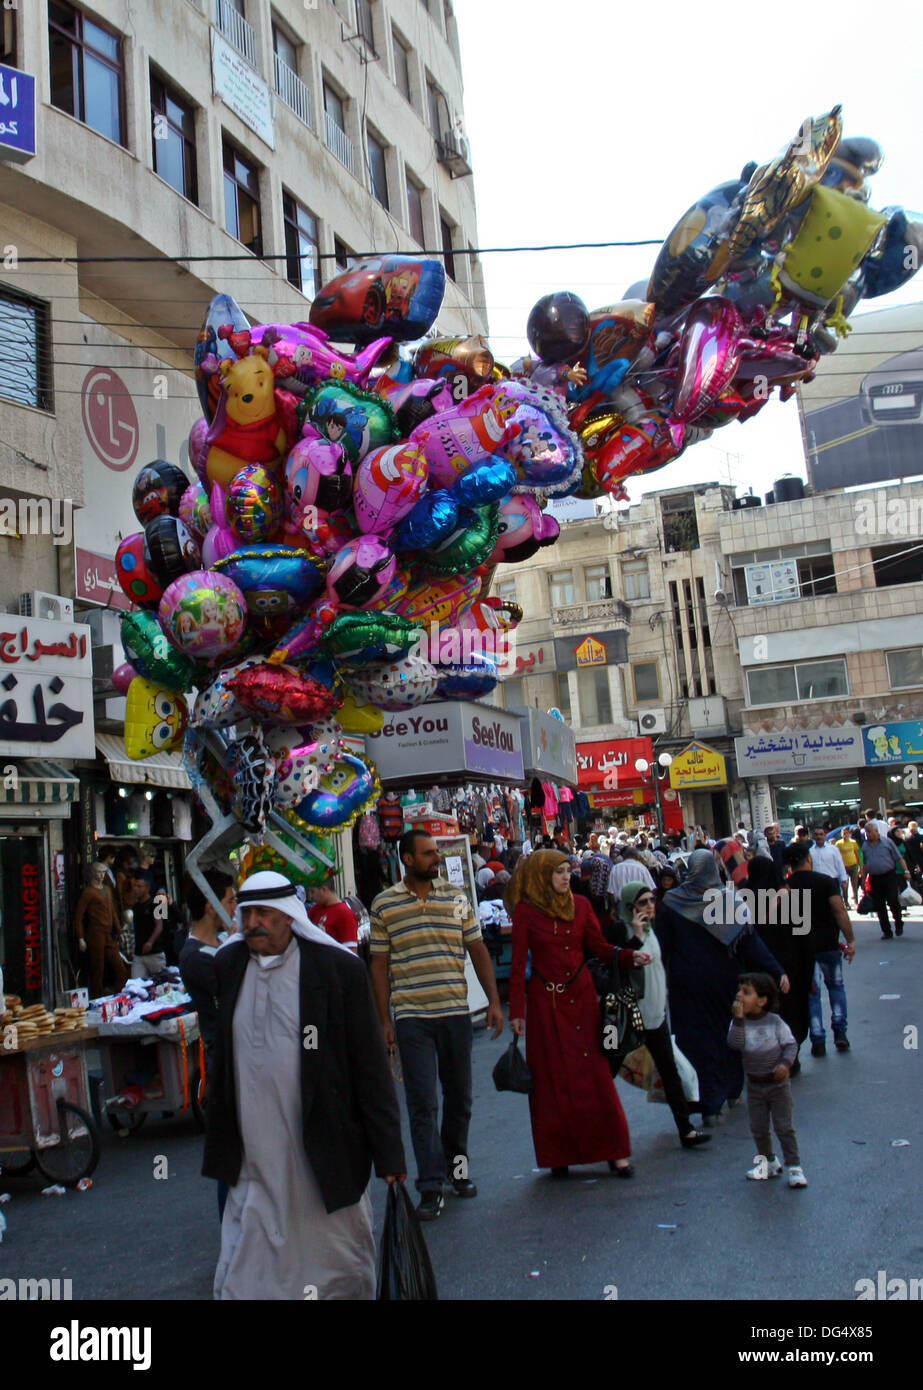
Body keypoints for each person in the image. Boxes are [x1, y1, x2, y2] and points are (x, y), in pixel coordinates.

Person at [203, 871, 406, 1300]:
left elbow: (369, 1067)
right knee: (249, 1266)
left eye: (264, 913)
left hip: (322, 1148)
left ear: (290, 917)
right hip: (253, 1154)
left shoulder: (337, 971)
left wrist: (389, 1154)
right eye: (247, 913)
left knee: (334, 1261)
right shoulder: (229, 965)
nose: (253, 922)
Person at [369, 830, 504, 1221]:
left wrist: (493, 1001)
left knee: (459, 1097)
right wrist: (385, 1022)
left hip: (455, 1012)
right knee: (423, 1102)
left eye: (436, 853)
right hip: (412, 1017)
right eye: (428, 853)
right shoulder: (384, 905)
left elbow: (477, 950)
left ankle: (456, 1170)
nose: (436, 859)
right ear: (407, 859)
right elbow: (378, 966)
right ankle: (430, 1185)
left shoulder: (456, 898)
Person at [507, 851, 650, 1178]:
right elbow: (517, 966)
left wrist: (629, 957)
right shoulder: (526, 914)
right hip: (546, 1004)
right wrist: (517, 1012)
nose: (564, 877)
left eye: (566, 871)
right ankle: (559, 1154)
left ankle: (616, 1152)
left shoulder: (582, 906)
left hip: (582, 999)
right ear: (542, 876)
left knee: (596, 1075)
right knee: (551, 1080)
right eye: (557, 873)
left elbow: (598, 948)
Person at [655, 849, 788, 1126]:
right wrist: (777, 971)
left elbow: (661, 948)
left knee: (698, 1042)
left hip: (686, 985)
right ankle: (730, 1090)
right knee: (728, 1035)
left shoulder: (672, 902)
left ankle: (708, 1101)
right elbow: (752, 944)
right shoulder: (729, 901)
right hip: (724, 983)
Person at [616, 884, 711, 1149]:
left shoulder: (652, 930)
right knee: (607, 1070)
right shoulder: (621, 931)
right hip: (631, 1016)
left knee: (669, 1070)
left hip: (656, 1014)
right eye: (643, 902)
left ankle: (686, 1131)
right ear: (630, 907)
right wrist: (634, 937)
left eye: (651, 900)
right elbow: (620, 963)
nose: (649, 906)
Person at [728, 974, 806, 1188]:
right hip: (754, 1085)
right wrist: (738, 1020)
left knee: (783, 1127)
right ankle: (768, 1162)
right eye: (739, 990)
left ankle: (794, 1166)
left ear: (762, 1000)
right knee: (759, 1127)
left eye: (746, 992)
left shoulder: (774, 1022)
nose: (739, 995)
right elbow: (735, 1044)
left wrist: (785, 1064)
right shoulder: (739, 1024)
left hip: (777, 1085)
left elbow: (791, 1044)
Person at [783, 841, 856, 1058]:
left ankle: (818, 1040)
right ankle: (840, 1033)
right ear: (808, 859)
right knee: (836, 987)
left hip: (803, 950)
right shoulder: (825, 882)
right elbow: (839, 911)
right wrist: (850, 940)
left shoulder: (786, 887)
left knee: (811, 994)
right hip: (829, 945)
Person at [178, 870, 237, 1062]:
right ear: (211, 908)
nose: (235, 908)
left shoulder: (221, 940)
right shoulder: (195, 957)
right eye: (230, 901)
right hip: (225, 1054)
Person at [75, 862, 129, 999]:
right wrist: (81, 937)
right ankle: (97, 998)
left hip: (108, 934)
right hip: (95, 934)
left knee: (120, 967)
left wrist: (119, 931)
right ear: (93, 873)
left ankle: (119, 994)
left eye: (104, 872)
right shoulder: (88, 892)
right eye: (99, 872)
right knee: (97, 969)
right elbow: (79, 916)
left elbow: (113, 912)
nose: (101, 875)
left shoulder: (107, 889)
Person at [861, 822, 906, 940]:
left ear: (876, 831)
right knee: (879, 905)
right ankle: (886, 931)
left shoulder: (887, 842)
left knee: (892, 900)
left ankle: (898, 923)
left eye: (870, 832)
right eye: (866, 832)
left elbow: (899, 857)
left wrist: (906, 871)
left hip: (889, 876)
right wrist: (863, 880)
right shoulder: (865, 846)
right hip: (874, 878)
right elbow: (865, 864)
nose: (868, 835)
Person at [126, 871, 166, 978]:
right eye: (134, 886)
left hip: (154, 953)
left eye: (139, 886)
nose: (136, 889)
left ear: (147, 888)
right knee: (136, 985)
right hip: (139, 954)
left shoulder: (155, 904)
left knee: (160, 984)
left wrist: (150, 942)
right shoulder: (135, 906)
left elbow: (159, 926)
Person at [307, 881, 359, 950]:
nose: (311, 896)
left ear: (324, 889)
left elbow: (351, 951)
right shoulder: (314, 910)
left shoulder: (345, 914)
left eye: (312, 892)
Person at [809, 827, 848, 899]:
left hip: (832, 882)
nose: (819, 836)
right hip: (817, 883)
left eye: (821, 834)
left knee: (834, 907)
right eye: (817, 835)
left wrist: (843, 880)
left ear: (825, 836)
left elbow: (840, 865)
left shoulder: (833, 849)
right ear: (814, 836)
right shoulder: (810, 851)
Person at [834, 827, 862, 907]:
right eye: (844, 833)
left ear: (850, 834)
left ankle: (856, 901)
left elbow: (857, 854)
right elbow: (837, 856)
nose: (845, 835)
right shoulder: (838, 843)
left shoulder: (853, 842)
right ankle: (846, 901)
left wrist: (860, 866)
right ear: (841, 834)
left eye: (847, 833)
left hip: (853, 865)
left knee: (855, 884)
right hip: (843, 867)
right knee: (844, 885)